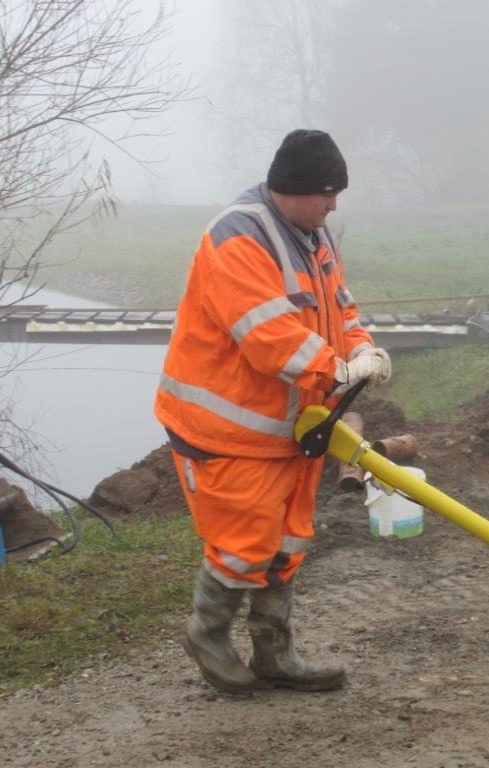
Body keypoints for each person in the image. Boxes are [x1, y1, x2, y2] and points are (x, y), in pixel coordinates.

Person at [154, 129, 390, 693]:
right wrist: (337, 371)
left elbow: (339, 306)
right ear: (296, 189)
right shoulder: (237, 240)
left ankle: (274, 654)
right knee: (243, 546)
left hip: (293, 428)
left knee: (288, 543)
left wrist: (359, 345)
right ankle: (207, 634)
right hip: (229, 429)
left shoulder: (311, 232)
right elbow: (267, 335)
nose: (335, 205)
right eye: (329, 193)